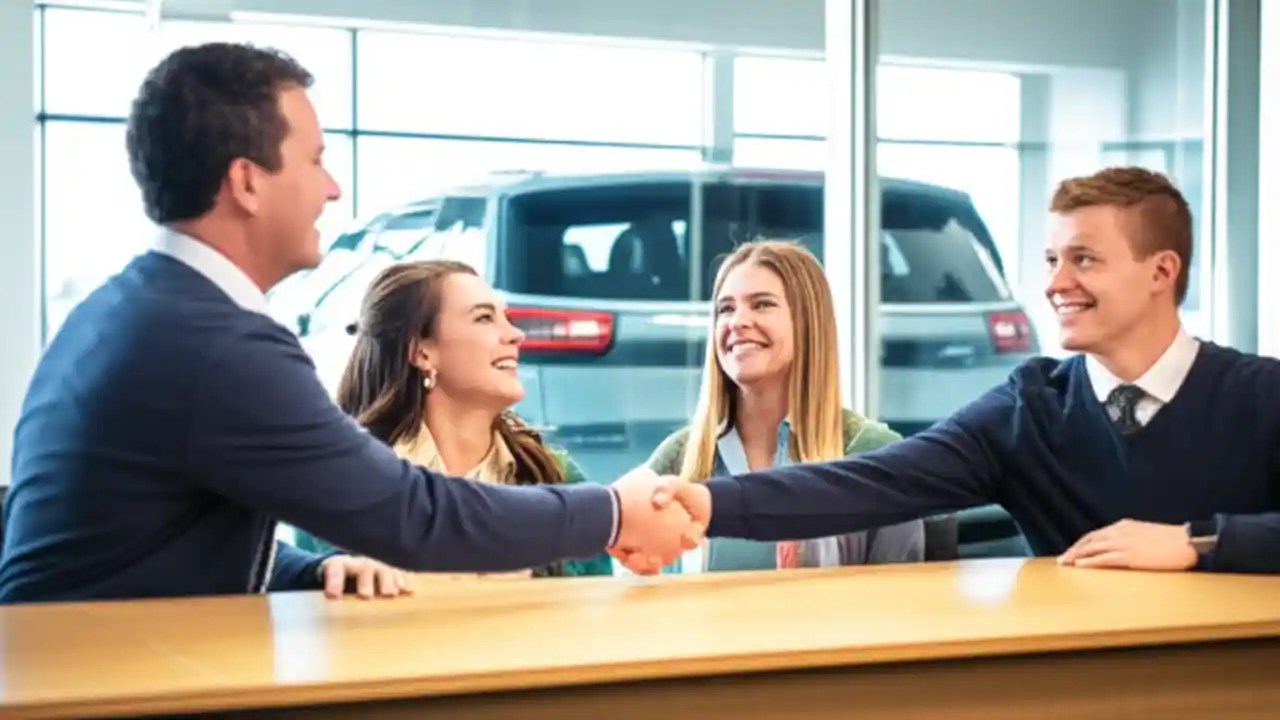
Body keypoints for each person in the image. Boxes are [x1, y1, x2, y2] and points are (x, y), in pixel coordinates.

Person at [0, 42, 697, 604]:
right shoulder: (215, 345)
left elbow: (161, 536)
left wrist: (309, 572)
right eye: (315, 160)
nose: (332, 188)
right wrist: (613, 512)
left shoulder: (127, 311)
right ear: (246, 182)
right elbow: (412, 515)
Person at [623, 166, 1280, 576]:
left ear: (1162, 272)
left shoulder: (1263, 396)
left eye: (1083, 259)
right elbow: (869, 483)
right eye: (1050, 259)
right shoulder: (1027, 411)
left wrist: (1199, 544)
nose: (1055, 283)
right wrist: (709, 499)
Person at [293, 260, 613, 577]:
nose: (515, 334)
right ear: (421, 352)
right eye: (484, 318)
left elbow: (598, 611)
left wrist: (532, 578)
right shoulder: (346, 486)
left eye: (507, 318)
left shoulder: (555, 474)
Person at [646, 240, 923, 572]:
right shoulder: (679, 457)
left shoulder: (874, 454)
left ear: (808, 324)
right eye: (726, 308)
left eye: (762, 305)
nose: (737, 322)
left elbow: (896, 606)